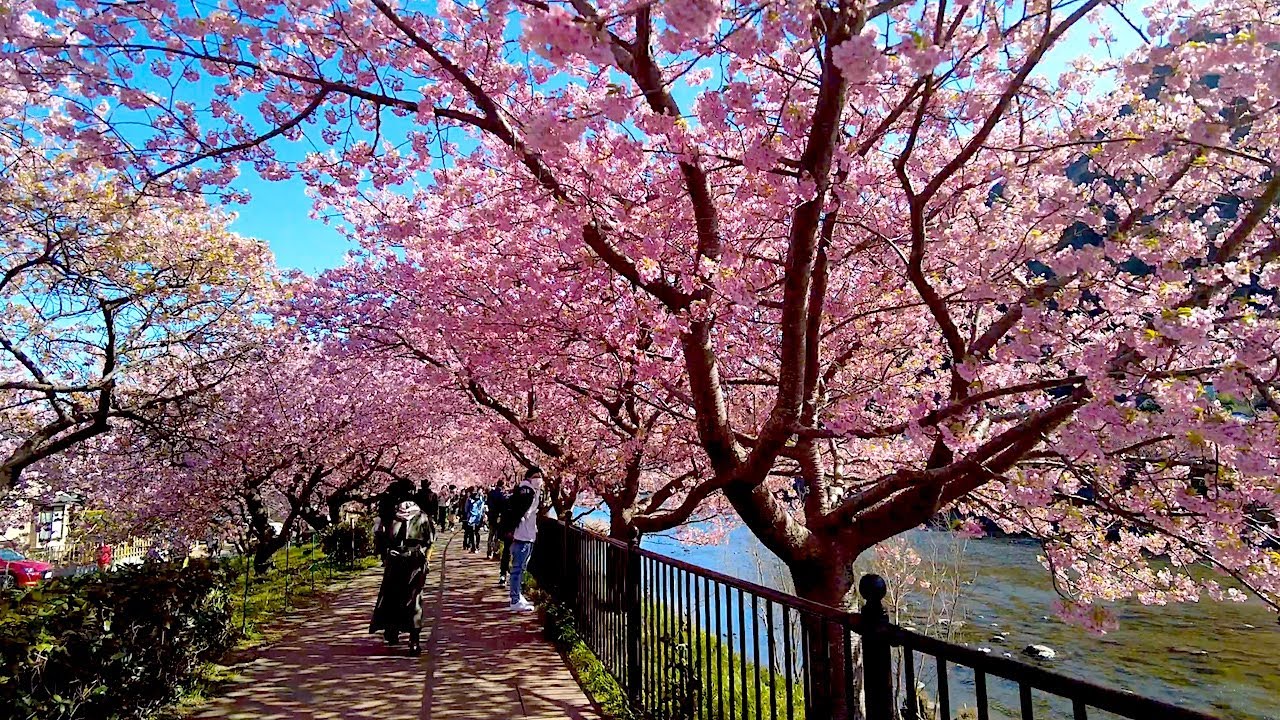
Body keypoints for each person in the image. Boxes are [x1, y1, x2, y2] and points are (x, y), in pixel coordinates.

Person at [369, 490, 433, 656]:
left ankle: (392, 630)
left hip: (395, 559)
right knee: (414, 599)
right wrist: (427, 560)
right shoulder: (422, 516)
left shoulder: (389, 515)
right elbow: (429, 541)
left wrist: (385, 555)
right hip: (415, 559)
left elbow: (379, 538)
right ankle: (414, 639)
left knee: (392, 595)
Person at [499, 468, 542, 612]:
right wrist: (512, 529)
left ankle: (518, 596)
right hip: (522, 534)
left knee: (521, 567)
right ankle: (515, 600)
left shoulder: (527, 491)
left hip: (526, 534)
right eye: (536, 476)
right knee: (518, 568)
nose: (539, 479)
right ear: (529, 477)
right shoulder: (526, 492)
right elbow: (519, 512)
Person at [485, 481, 508, 560]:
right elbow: (503, 507)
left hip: (491, 516)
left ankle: (489, 552)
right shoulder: (502, 495)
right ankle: (495, 551)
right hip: (499, 517)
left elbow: (488, 503)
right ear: (502, 486)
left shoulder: (491, 493)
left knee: (491, 534)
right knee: (497, 536)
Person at [462, 487, 485, 553]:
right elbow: (482, 509)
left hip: (470, 518)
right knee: (477, 532)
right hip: (478, 518)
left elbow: (466, 509)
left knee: (471, 533)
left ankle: (473, 547)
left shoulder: (469, 500)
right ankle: (477, 546)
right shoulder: (480, 500)